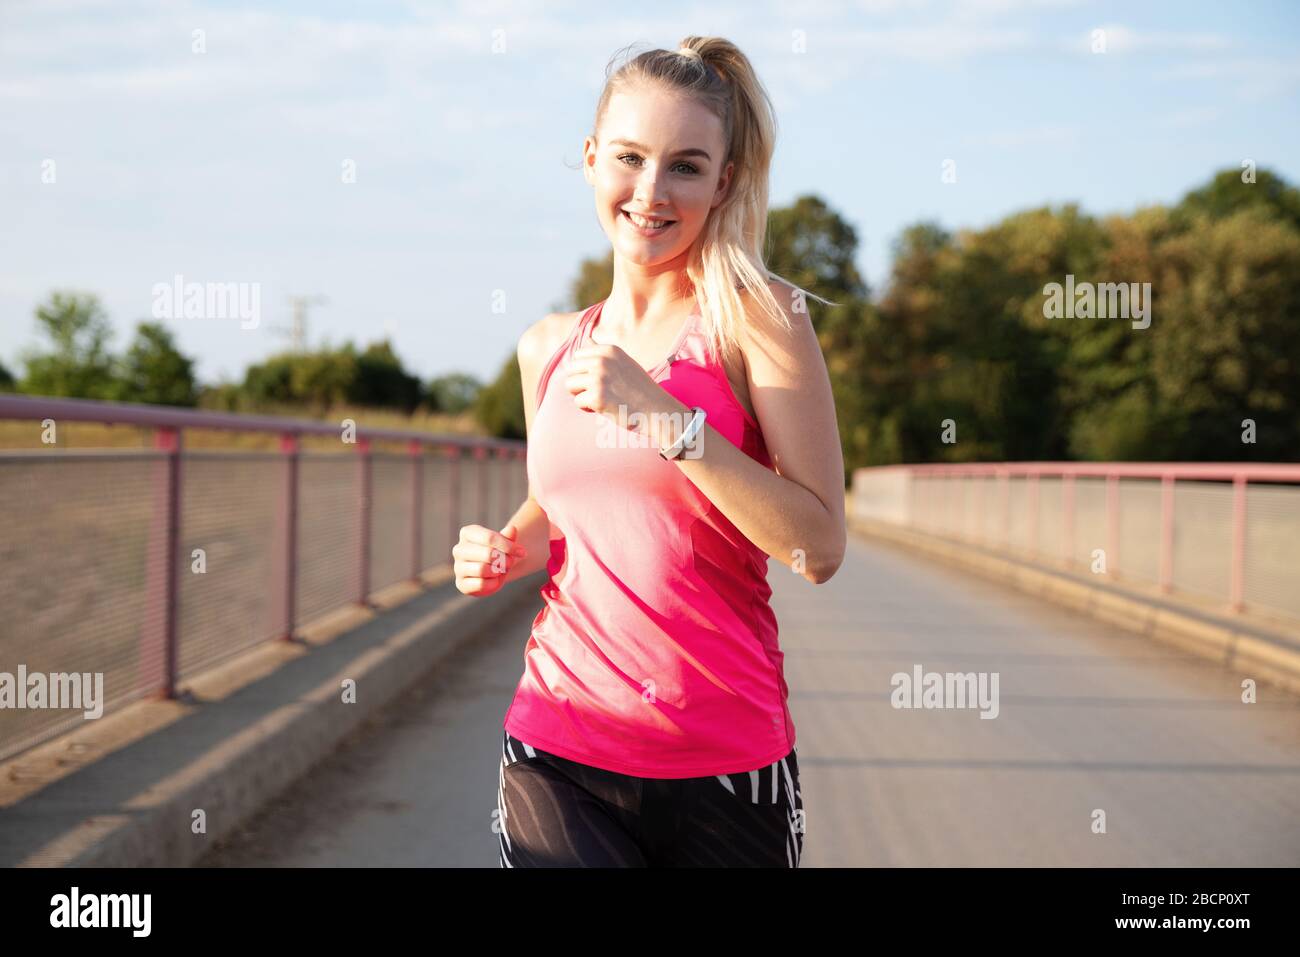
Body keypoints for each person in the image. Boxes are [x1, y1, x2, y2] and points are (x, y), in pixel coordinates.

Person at [454, 35, 846, 867]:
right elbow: (559, 514)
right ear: (593, 160)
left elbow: (817, 545)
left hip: (725, 760)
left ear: (724, 182)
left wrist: (667, 420)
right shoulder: (549, 348)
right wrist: (503, 547)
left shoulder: (762, 319)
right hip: (559, 739)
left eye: (686, 167)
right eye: (629, 158)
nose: (650, 192)